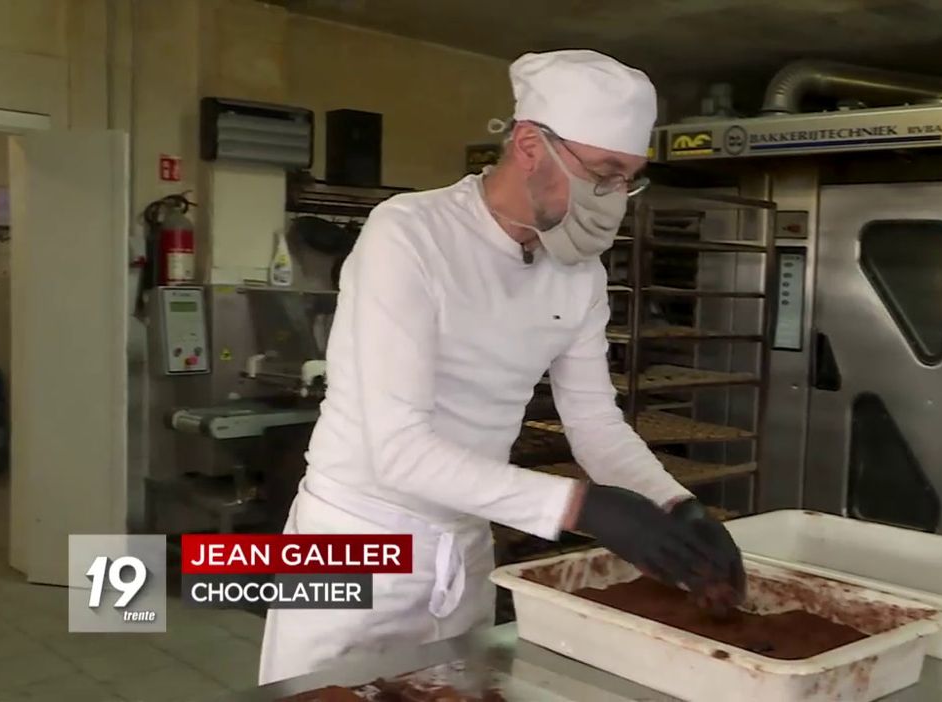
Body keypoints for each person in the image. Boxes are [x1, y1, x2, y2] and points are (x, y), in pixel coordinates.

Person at [258, 49, 745, 684]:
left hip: (464, 543)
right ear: (529, 146)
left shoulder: (580, 276)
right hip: (353, 539)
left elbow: (596, 424)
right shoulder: (409, 235)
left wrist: (675, 506)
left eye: (629, 178)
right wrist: (580, 508)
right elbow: (399, 451)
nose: (616, 197)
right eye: (603, 172)